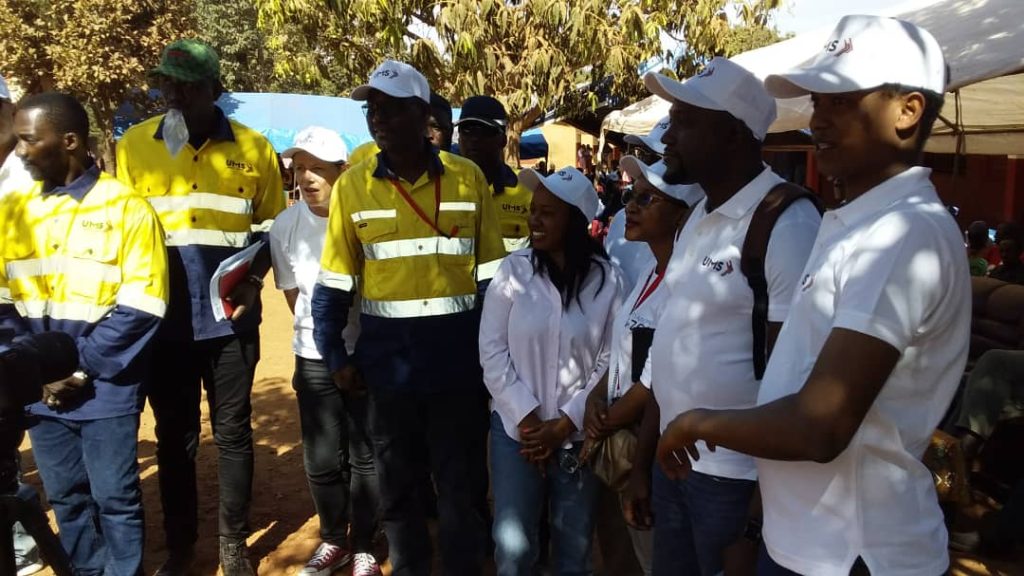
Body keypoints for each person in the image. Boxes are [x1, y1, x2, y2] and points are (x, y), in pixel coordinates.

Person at [656, 16, 969, 576]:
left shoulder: (903, 234)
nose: (818, 120)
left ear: (908, 111)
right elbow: (792, 377)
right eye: (817, 102)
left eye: (840, 101)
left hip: (855, 553)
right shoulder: (853, 223)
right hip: (805, 541)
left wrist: (698, 422)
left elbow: (820, 424)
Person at [312, 59, 505, 576]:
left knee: (460, 486)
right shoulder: (352, 187)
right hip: (386, 368)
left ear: (423, 115)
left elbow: (493, 280)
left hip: (458, 368)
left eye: (390, 108)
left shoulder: (467, 180)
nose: (377, 118)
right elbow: (332, 287)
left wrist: (493, 359)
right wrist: (335, 356)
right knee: (397, 488)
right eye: (371, 109)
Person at [636, 56, 822, 576]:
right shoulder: (699, 213)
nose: (669, 136)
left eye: (686, 121)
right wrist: (644, 459)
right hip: (675, 464)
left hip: (736, 478)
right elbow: (673, 344)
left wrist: (759, 515)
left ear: (734, 136)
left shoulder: (786, 222)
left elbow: (798, 374)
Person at [116, 39, 285, 575]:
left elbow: (271, 231)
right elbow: (126, 234)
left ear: (216, 88)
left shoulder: (255, 150)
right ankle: (183, 543)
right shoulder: (134, 146)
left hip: (231, 321)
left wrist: (251, 284)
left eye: (189, 85)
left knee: (234, 432)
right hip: (162, 324)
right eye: (169, 84)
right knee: (175, 436)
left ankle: (233, 544)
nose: (177, 94)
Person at [0, 92, 168, 576]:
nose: (20, 151)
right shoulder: (12, 212)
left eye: (29, 140)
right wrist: (32, 368)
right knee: (68, 499)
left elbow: (142, 305)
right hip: (38, 392)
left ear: (69, 141)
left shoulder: (126, 209)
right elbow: (2, 304)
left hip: (105, 388)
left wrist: (73, 367)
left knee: (114, 498)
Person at [479, 166, 621, 576]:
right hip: (515, 435)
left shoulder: (608, 281)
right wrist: (526, 419)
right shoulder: (513, 271)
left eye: (548, 213)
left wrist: (564, 423)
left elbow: (611, 360)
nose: (534, 220)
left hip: (577, 439)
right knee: (513, 551)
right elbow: (491, 349)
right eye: (533, 210)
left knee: (573, 553)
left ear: (576, 221)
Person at [268, 127, 382, 576]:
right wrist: (321, 342)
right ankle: (334, 539)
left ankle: (366, 544)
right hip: (312, 356)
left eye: (318, 168)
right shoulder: (285, 226)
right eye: (300, 168)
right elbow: (294, 297)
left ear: (343, 171)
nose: (307, 178)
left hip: (366, 354)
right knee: (320, 458)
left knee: (365, 455)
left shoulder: (367, 219)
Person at [583, 156, 704, 576]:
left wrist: (603, 423)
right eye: (633, 196)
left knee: (652, 560)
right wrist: (599, 397)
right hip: (621, 435)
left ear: (683, 215)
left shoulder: (685, 283)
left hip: (647, 443)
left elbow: (656, 379)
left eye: (648, 199)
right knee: (620, 553)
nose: (631, 207)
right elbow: (623, 353)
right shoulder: (651, 271)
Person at [456, 96, 532, 254]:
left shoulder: (527, 192)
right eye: (467, 129)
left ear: (503, 140)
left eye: (484, 131)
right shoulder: (442, 188)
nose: (474, 138)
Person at [604, 118, 671, 293]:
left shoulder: (698, 231)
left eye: (653, 157)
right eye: (640, 154)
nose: (644, 163)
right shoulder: (621, 220)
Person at [348, 91, 454, 167]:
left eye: (436, 127)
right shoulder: (360, 160)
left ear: (451, 130)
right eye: (371, 108)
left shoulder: (465, 173)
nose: (427, 134)